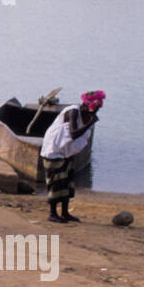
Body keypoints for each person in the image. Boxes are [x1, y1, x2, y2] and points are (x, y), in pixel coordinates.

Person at [40, 91, 103, 223]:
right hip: (54, 149)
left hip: (66, 151)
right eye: (94, 109)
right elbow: (73, 134)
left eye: (97, 109)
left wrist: (89, 121)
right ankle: (52, 213)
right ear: (87, 106)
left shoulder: (87, 114)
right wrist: (89, 123)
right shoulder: (73, 112)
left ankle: (65, 213)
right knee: (55, 183)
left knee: (67, 182)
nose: (95, 112)